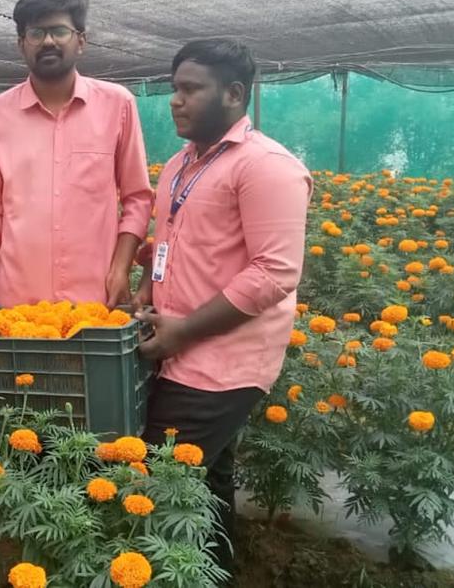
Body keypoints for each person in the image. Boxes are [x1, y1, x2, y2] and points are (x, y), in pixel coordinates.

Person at [133, 39, 312, 578]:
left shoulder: (267, 167)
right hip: (178, 348)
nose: (175, 101)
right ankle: (214, 570)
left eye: (190, 89)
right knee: (206, 483)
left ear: (234, 94)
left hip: (222, 364)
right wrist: (146, 286)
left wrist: (183, 331)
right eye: (174, 89)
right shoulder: (180, 166)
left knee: (157, 481)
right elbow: (166, 240)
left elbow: (276, 271)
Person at [0, 0, 152, 312]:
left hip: (94, 304)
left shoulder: (117, 105)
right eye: (36, 33)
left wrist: (120, 269)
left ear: (81, 40)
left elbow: (137, 199)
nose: (48, 41)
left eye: (59, 31)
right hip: (15, 308)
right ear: (22, 44)